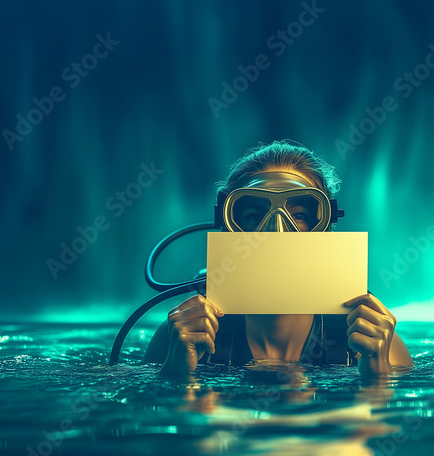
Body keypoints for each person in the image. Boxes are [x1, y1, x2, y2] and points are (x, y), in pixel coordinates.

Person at [143, 141, 414, 376]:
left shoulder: (375, 343)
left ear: (325, 226)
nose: (276, 230)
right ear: (228, 226)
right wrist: (176, 373)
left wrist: (378, 377)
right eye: (253, 215)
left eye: (299, 215)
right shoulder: (180, 337)